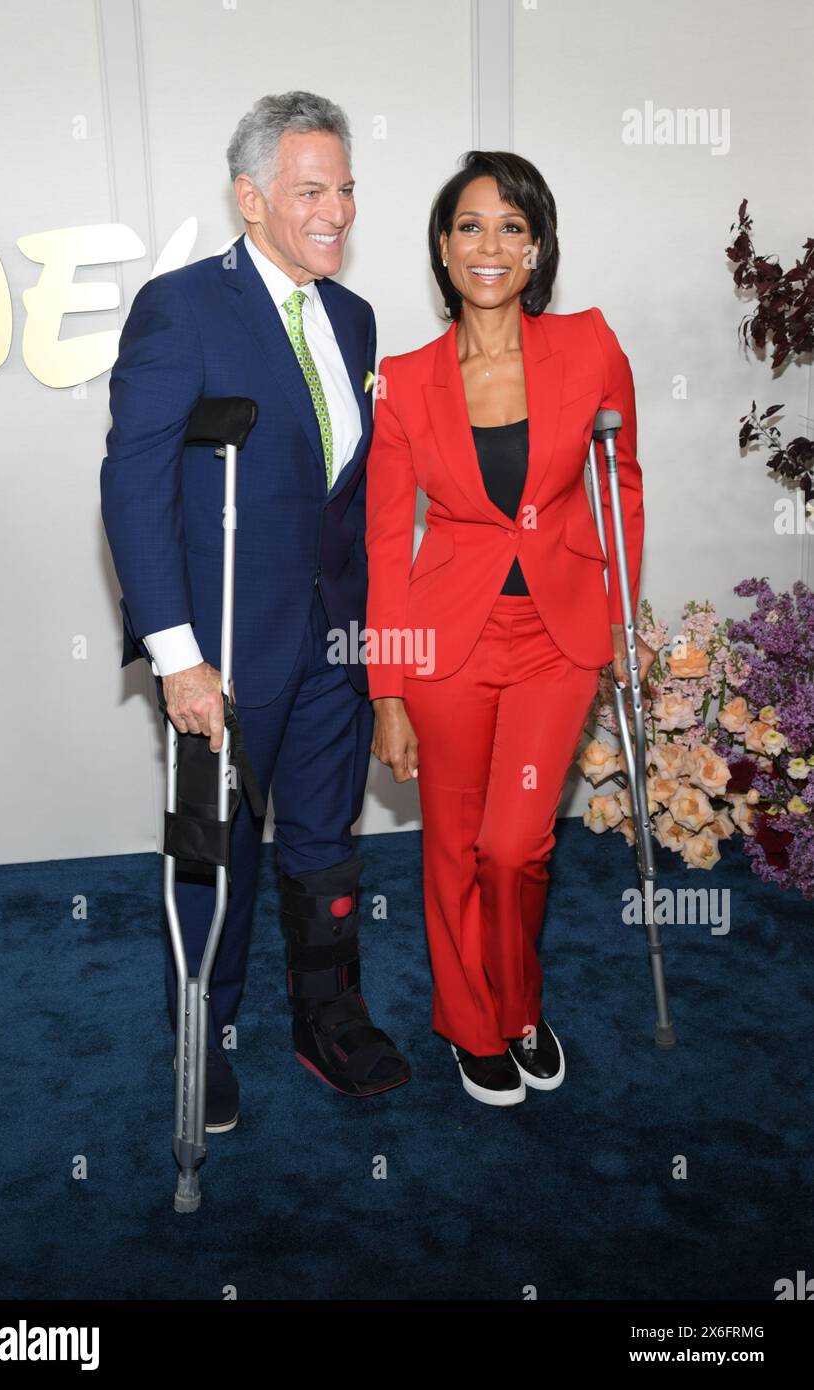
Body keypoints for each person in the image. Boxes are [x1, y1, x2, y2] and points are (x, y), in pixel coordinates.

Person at [100, 91, 410, 1133]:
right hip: (222, 648)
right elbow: (133, 485)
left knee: (325, 845)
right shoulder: (182, 306)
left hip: (334, 642)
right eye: (309, 190)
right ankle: (206, 1030)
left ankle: (325, 1014)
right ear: (250, 195)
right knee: (213, 849)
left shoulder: (353, 316)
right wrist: (175, 655)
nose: (335, 211)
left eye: (346, 190)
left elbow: (349, 493)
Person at [366, 150, 655, 1107]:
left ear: (537, 249)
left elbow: (620, 483)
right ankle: (470, 1022)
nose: (490, 245)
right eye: (470, 227)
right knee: (451, 842)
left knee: (514, 845)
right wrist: (389, 692)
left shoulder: (590, 345)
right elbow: (382, 544)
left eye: (512, 227)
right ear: (443, 251)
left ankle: (521, 1006)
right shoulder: (404, 381)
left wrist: (618, 618)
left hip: (555, 636)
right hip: (447, 642)